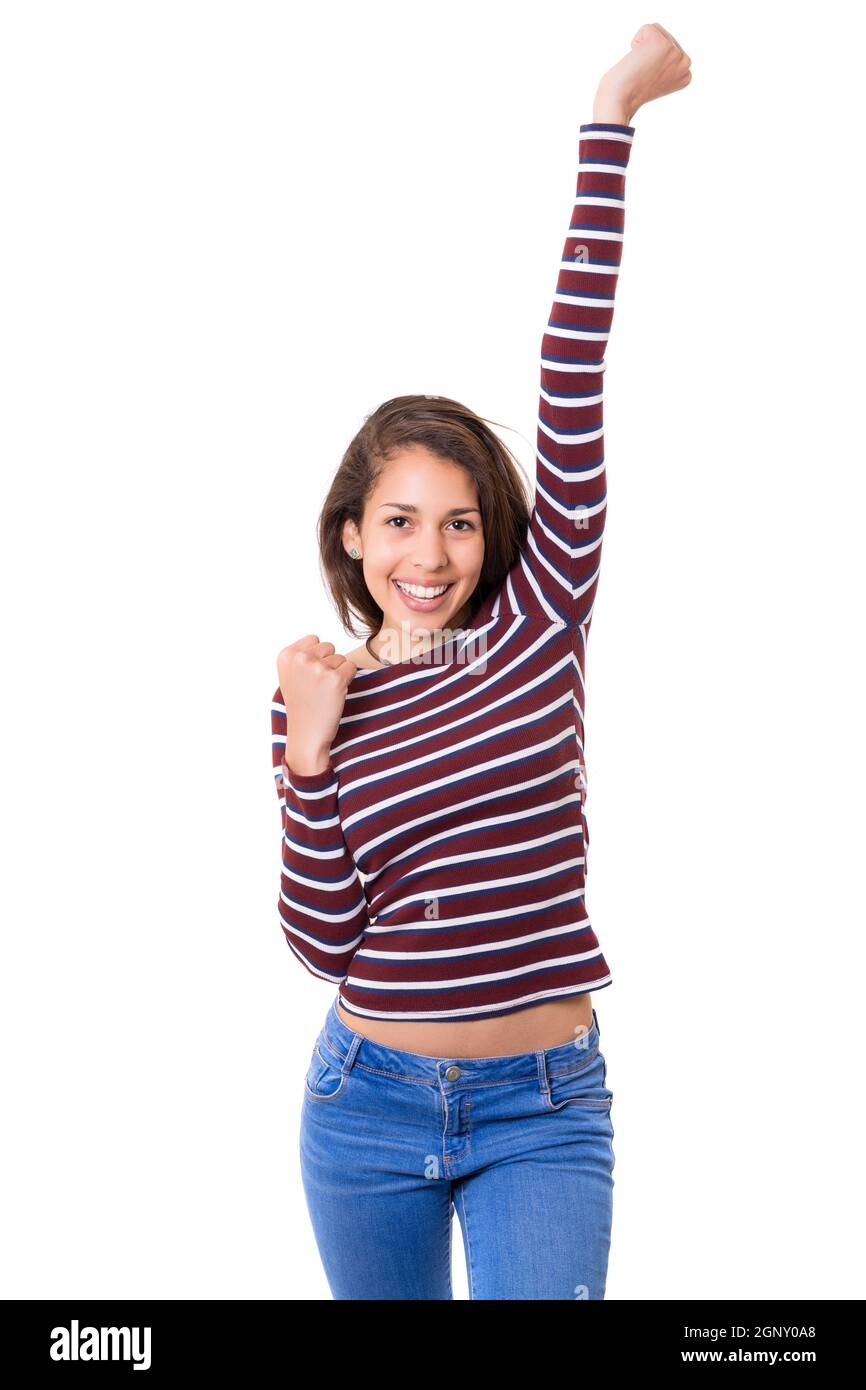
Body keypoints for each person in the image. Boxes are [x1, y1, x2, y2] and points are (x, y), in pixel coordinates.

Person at [271, 23, 691, 1299]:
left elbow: (571, 370)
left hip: (543, 1108)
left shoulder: (539, 613)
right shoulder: (314, 689)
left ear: (494, 530)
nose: (429, 550)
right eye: (398, 519)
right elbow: (321, 940)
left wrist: (609, 116)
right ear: (352, 533)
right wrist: (304, 746)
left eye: (458, 519)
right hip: (364, 1105)